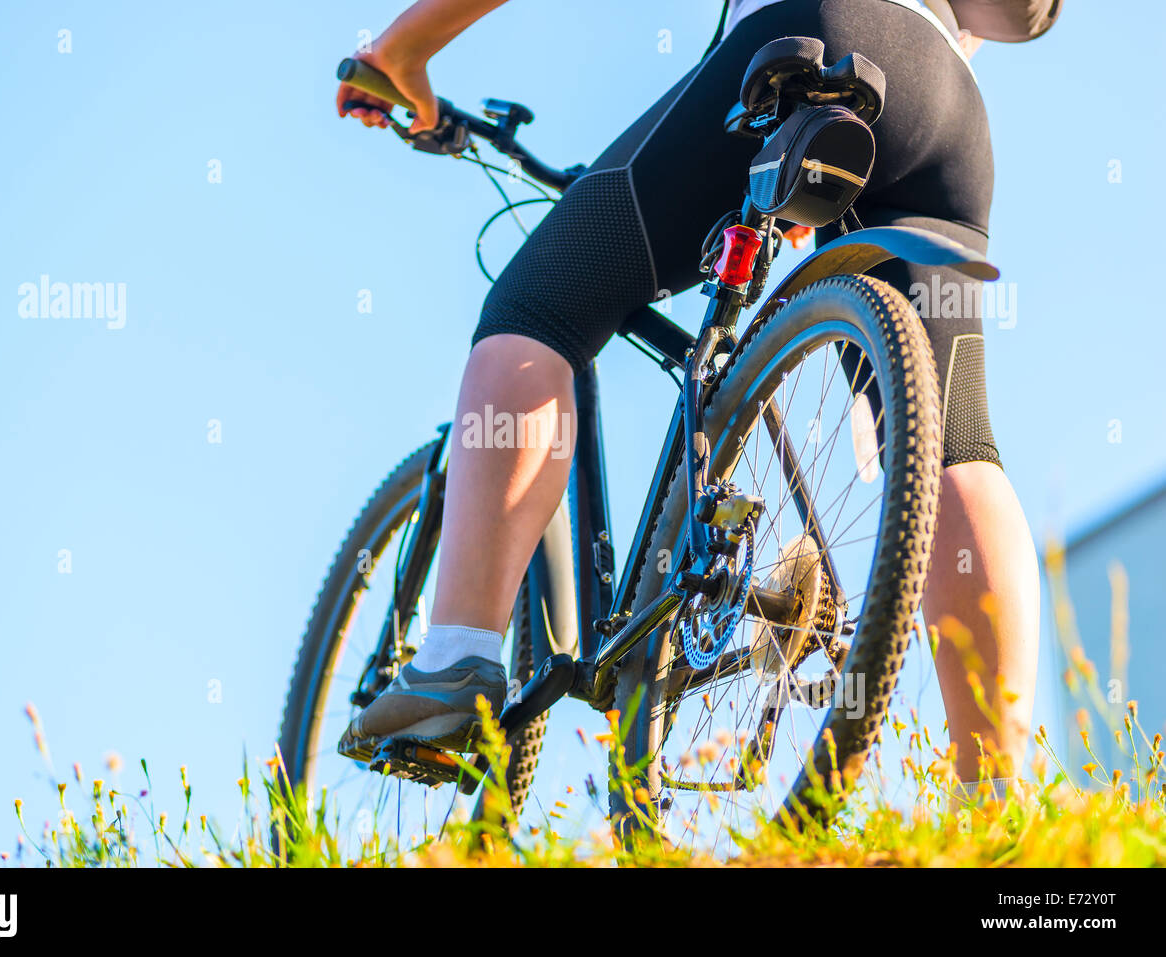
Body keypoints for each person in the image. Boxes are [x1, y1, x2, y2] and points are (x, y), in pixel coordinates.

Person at [334, 0, 1049, 789]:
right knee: (956, 445)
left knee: (534, 310)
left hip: (813, 34)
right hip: (945, 102)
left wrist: (403, 50)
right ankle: (1000, 804)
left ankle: (453, 659)